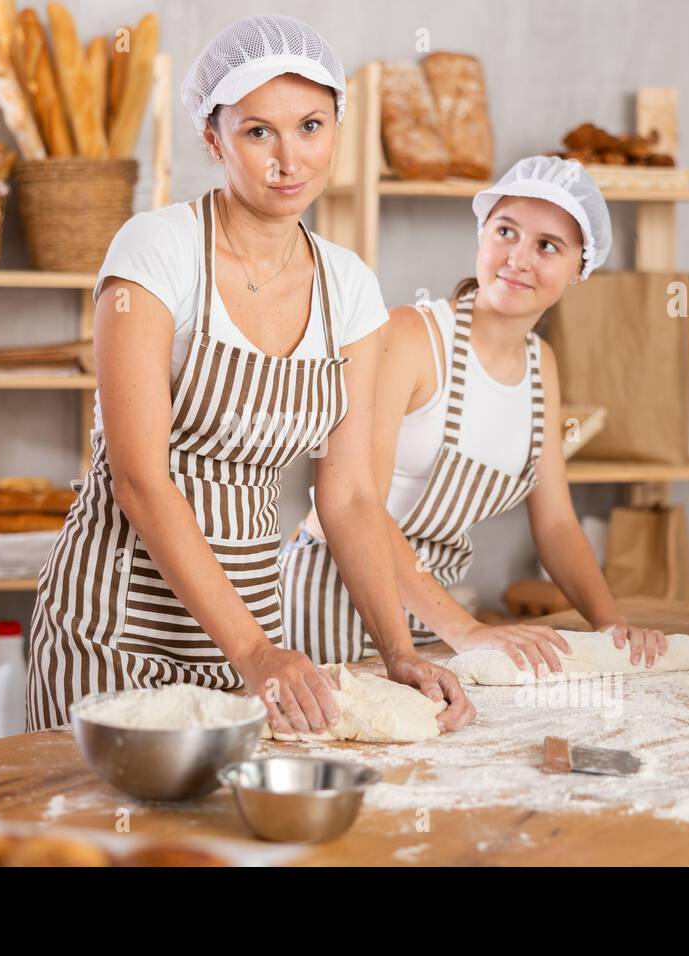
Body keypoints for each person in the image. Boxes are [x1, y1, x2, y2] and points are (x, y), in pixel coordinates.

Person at [26, 15, 474, 736]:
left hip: (254, 637)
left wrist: (397, 652)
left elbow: (352, 495)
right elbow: (139, 479)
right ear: (214, 138)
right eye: (258, 131)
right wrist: (256, 652)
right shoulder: (158, 251)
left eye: (311, 126)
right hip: (116, 636)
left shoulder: (348, 287)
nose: (289, 159)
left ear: (337, 128)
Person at [280, 156, 669, 675]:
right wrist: (465, 629)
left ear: (581, 268)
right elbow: (358, 502)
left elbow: (555, 523)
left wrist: (609, 624)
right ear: (482, 235)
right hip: (330, 595)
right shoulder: (410, 336)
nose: (518, 258)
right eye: (505, 231)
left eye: (547, 245)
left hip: (432, 610)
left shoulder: (540, 364)